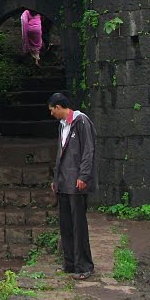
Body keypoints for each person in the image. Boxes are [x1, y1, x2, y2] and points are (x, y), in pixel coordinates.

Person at [48, 92, 98, 279]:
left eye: (52, 110)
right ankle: (70, 262)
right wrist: (56, 179)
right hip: (64, 182)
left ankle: (84, 265)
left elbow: (88, 150)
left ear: (59, 107)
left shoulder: (81, 121)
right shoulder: (63, 126)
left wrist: (84, 175)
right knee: (66, 225)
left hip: (76, 182)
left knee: (78, 225)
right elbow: (60, 155)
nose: (52, 114)